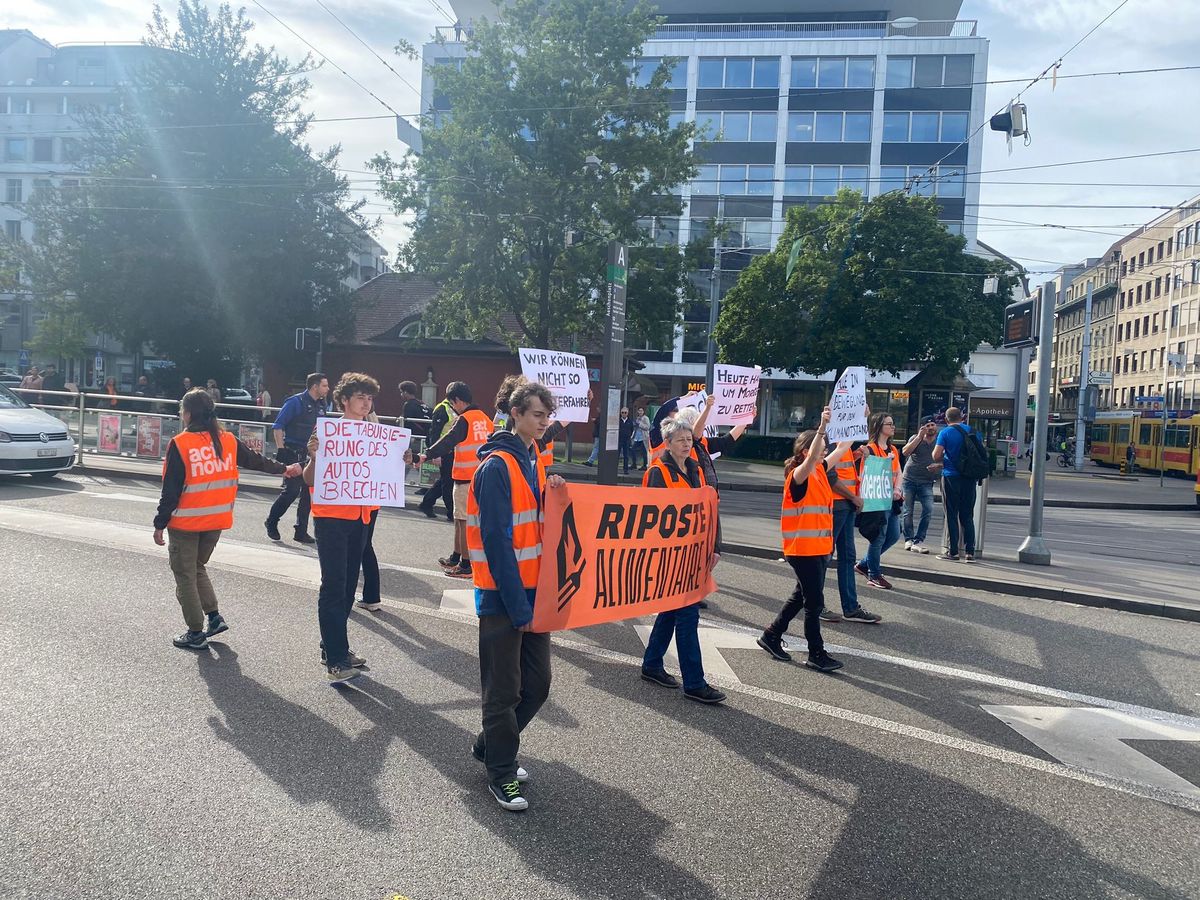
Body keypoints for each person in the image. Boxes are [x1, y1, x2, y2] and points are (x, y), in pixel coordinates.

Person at [466, 381, 565, 812]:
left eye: (547, 415)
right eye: (539, 415)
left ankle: (492, 745)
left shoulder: (534, 460)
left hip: (532, 592)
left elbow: (537, 524)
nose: (545, 422)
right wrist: (519, 605)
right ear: (516, 413)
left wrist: (555, 490)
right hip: (504, 596)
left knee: (537, 686)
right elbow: (497, 542)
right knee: (503, 692)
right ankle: (501, 774)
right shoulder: (495, 467)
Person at [154, 388, 301, 649]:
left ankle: (195, 632)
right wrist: (284, 470)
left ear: (187, 414)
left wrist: (159, 524)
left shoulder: (181, 443)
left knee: (185, 575)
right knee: (197, 568)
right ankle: (214, 617)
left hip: (186, 523)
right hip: (216, 520)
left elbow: (171, 491)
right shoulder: (227, 440)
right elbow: (256, 461)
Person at [638, 415, 727, 706]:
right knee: (687, 616)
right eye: (681, 440)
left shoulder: (696, 470)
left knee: (671, 611)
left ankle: (652, 664)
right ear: (668, 443)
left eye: (689, 439)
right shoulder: (658, 472)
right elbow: (649, 518)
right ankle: (694, 683)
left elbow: (708, 509)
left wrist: (715, 546)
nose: (687, 444)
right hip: (669, 558)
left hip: (692, 555)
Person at [757, 407, 850, 672]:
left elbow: (843, 448)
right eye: (820, 447)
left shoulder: (820, 470)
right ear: (804, 452)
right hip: (803, 549)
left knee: (801, 596)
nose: (825, 450)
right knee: (814, 603)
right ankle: (816, 653)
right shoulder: (799, 474)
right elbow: (812, 461)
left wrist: (856, 421)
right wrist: (822, 427)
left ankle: (771, 635)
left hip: (818, 548)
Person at [306, 372, 385, 684]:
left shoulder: (372, 431)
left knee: (349, 586)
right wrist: (314, 457)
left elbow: (380, 472)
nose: (366, 403)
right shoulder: (327, 430)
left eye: (369, 398)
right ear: (343, 400)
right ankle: (337, 661)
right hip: (331, 518)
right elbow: (309, 479)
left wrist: (401, 459)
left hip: (361, 518)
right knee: (334, 585)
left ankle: (334, 647)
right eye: (360, 397)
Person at [418, 381, 493, 578]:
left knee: (463, 522)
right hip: (479, 477)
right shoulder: (485, 418)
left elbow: (449, 440)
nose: (452, 408)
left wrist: (426, 455)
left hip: (464, 478)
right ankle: (456, 557)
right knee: (461, 520)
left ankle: (465, 564)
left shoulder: (464, 419)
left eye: (452, 404)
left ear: (457, 400)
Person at [265, 373, 329, 545]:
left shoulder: (321, 404)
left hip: (311, 455)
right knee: (291, 492)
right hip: (294, 452)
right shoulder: (295, 402)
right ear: (315, 386)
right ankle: (271, 522)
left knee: (308, 495)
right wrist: (281, 450)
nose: (327, 389)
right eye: (324, 386)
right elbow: (278, 426)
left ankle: (301, 531)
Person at [855, 412, 903, 589]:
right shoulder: (870, 449)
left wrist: (897, 489)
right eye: (889, 424)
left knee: (893, 535)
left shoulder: (892, 449)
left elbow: (898, 471)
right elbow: (861, 467)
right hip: (876, 500)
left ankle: (864, 564)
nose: (893, 427)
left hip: (891, 499)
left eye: (892, 423)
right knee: (879, 537)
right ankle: (874, 574)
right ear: (879, 427)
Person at [933, 406, 979, 562]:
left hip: (951, 476)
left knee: (951, 514)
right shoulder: (972, 431)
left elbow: (936, 455)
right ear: (962, 418)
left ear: (946, 420)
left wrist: (945, 458)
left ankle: (953, 552)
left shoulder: (945, 433)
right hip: (970, 477)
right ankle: (970, 552)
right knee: (967, 515)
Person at [418, 387, 459, 520]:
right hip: (444, 452)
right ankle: (451, 512)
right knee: (448, 483)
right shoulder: (442, 409)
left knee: (445, 481)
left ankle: (427, 503)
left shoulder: (454, 409)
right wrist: (435, 454)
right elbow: (434, 433)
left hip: (452, 451)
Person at [901, 417, 940, 553]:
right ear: (922, 427)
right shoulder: (916, 438)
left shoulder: (939, 440)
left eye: (932, 425)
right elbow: (905, 452)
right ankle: (908, 539)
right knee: (907, 511)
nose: (930, 427)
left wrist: (938, 466)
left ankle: (919, 540)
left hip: (926, 481)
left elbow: (948, 458)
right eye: (927, 425)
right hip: (909, 479)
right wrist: (918, 437)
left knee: (928, 509)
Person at [618, 407, 636, 474]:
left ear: (627, 413)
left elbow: (631, 430)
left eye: (625, 412)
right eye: (622, 412)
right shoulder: (618, 421)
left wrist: (629, 437)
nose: (624, 414)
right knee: (617, 455)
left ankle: (625, 470)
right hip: (619, 440)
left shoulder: (630, 421)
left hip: (626, 440)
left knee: (626, 456)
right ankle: (614, 469)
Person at [632, 405, 650, 469]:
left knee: (644, 452)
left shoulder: (645, 418)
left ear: (643, 412)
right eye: (639, 411)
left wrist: (640, 424)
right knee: (633, 450)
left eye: (641, 411)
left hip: (643, 437)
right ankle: (634, 464)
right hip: (637, 437)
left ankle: (645, 465)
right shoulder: (637, 418)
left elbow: (647, 427)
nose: (640, 412)